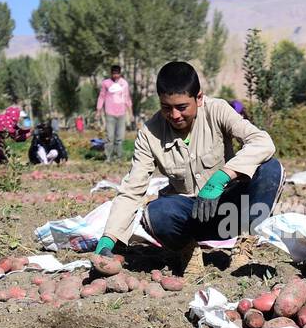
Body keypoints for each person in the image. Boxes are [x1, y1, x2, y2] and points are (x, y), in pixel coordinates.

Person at [96, 61, 281, 277]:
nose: (174, 115)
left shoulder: (217, 110)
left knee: (270, 168)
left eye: (182, 107)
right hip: (192, 217)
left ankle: (246, 241)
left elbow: (263, 142)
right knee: (155, 212)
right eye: (167, 107)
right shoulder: (149, 133)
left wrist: (222, 177)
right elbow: (132, 188)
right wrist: (109, 238)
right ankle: (188, 250)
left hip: (231, 211)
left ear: (199, 98)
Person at [96, 64, 133, 161]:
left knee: (120, 138)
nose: (116, 76)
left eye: (117, 74)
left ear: (120, 74)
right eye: (114, 74)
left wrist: (131, 112)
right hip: (110, 113)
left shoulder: (124, 83)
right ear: (111, 73)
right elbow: (101, 97)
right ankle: (108, 157)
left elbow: (127, 98)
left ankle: (119, 157)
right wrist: (98, 110)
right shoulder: (106, 83)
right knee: (110, 137)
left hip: (121, 113)